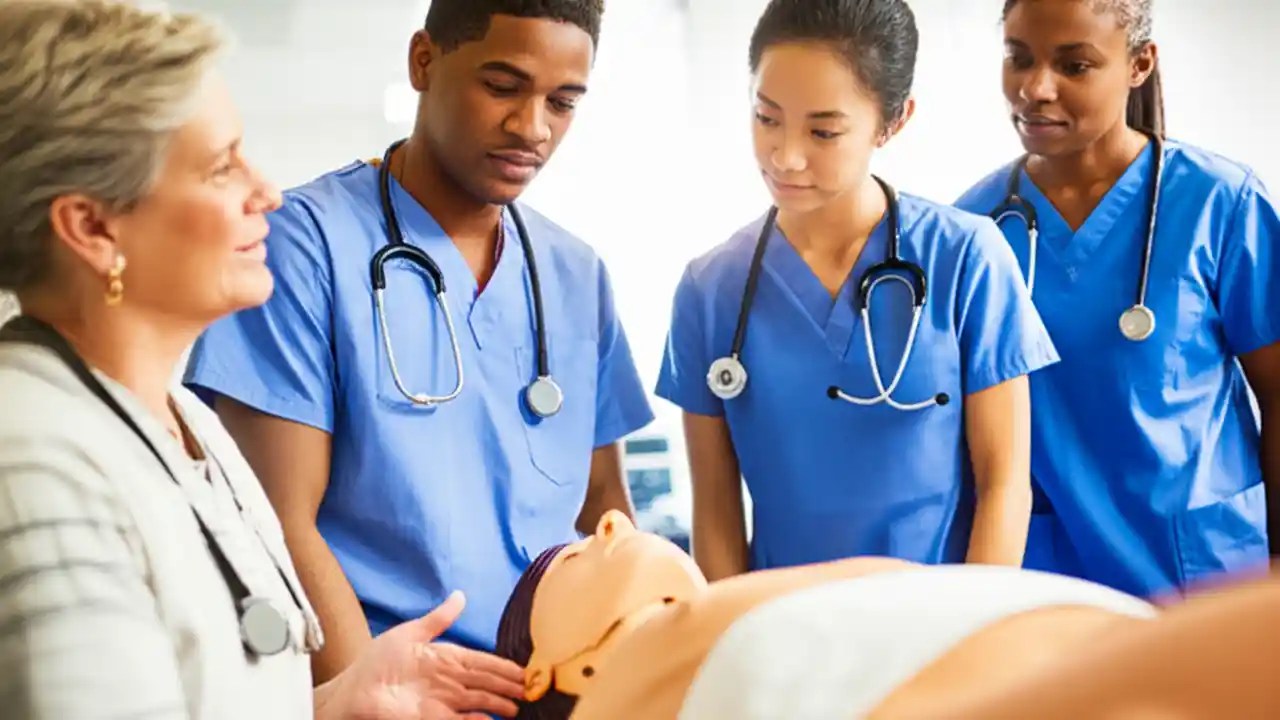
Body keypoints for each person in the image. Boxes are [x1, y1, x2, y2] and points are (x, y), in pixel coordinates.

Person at [0, 1, 523, 717]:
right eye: (222, 168)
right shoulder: (31, 462)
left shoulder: (183, 422)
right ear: (91, 226)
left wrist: (344, 703)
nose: (267, 192)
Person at [183, 0, 655, 682]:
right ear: (423, 61)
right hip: (388, 684)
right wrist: (375, 696)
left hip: (559, 683)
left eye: (563, 102)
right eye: (502, 87)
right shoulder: (303, 246)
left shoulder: (575, 274)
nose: (533, 128)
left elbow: (606, 505)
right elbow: (280, 522)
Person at [655, 0, 1059, 580]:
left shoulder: (967, 258)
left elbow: (1004, 486)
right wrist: (728, 644)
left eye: (824, 130)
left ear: (893, 122)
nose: (785, 156)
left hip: (940, 631)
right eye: (767, 118)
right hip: (782, 634)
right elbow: (716, 514)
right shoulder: (710, 289)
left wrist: (972, 639)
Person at [954, 0, 1280, 598]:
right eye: (1017, 59)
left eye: (1074, 66)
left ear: (1139, 64)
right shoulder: (972, 229)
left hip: (1202, 573)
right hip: (1042, 576)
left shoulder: (1219, 203)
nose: (1035, 89)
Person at [496, 510, 1278, 720]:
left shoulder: (744, 612)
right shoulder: (626, 685)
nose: (608, 523)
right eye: (570, 560)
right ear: (547, 674)